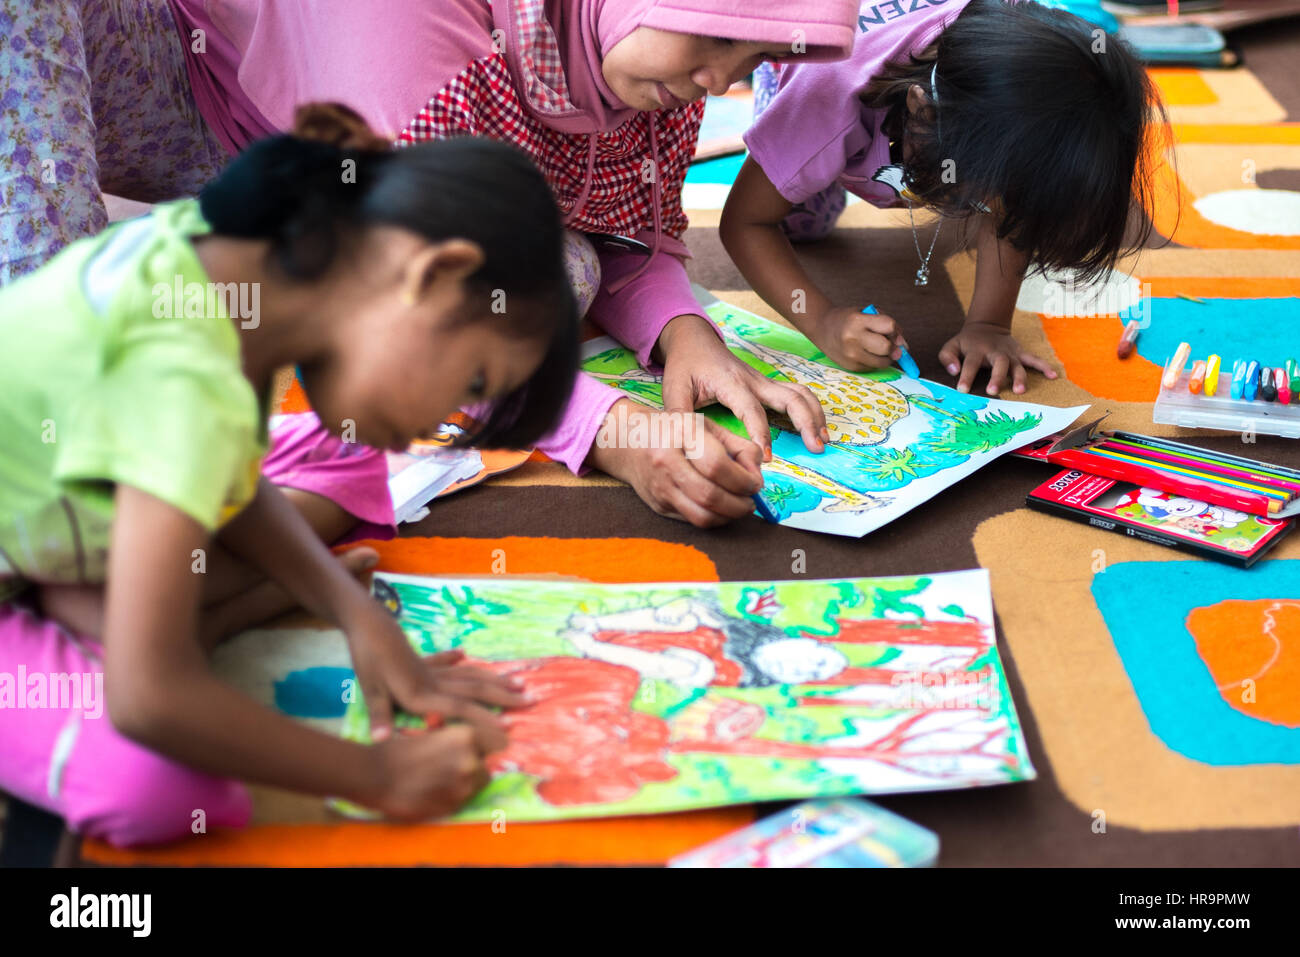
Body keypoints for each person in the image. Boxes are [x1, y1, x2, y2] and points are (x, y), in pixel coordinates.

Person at [0, 103, 578, 846]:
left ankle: (131, 619)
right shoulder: (183, 373)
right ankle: (148, 627)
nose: (451, 419)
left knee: (338, 449)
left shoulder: (215, 264)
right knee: (156, 784)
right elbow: (148, 698)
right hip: (50, 547)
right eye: (471, 379)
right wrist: (379, 776)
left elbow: (225, 465)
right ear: (435, 275)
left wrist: (352, 610)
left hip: (54, 506)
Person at [720, 0, 1166, 396]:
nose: (998, 213)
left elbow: (1012, 211)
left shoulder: (1021, 61)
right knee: (803, 222)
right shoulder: (821, 103)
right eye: (988, 197)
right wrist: (822, 321)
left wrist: (989, 323)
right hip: (809, 62)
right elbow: (745, 223)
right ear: (921, 112)